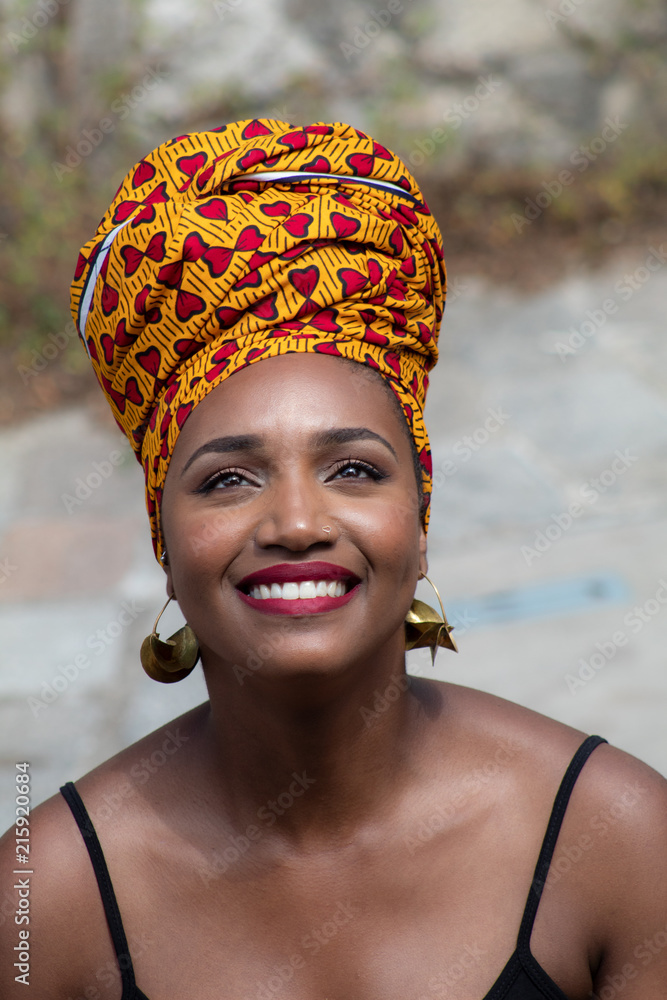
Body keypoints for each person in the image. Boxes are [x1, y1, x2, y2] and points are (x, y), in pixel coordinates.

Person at [1, 118, 666, 1000]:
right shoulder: (39, 904)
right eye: (229, 479)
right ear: (165, 548)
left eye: (352, 469)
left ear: (419, 525)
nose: (297, 520)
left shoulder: (615, 839)